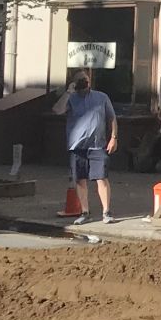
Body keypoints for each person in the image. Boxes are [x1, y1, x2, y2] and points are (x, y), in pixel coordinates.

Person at [52, 69, 117, 224]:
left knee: (101, 177)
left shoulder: (101, 97)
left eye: (86, 80)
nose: (84, 83)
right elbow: (57, 110)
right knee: (80, 179)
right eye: (80, 80)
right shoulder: (71, 98)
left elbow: (112, 118)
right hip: (77, 145)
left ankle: (106, 212)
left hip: (97, 145)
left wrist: (113, 138)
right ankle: (84, 212)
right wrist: (68, 92)